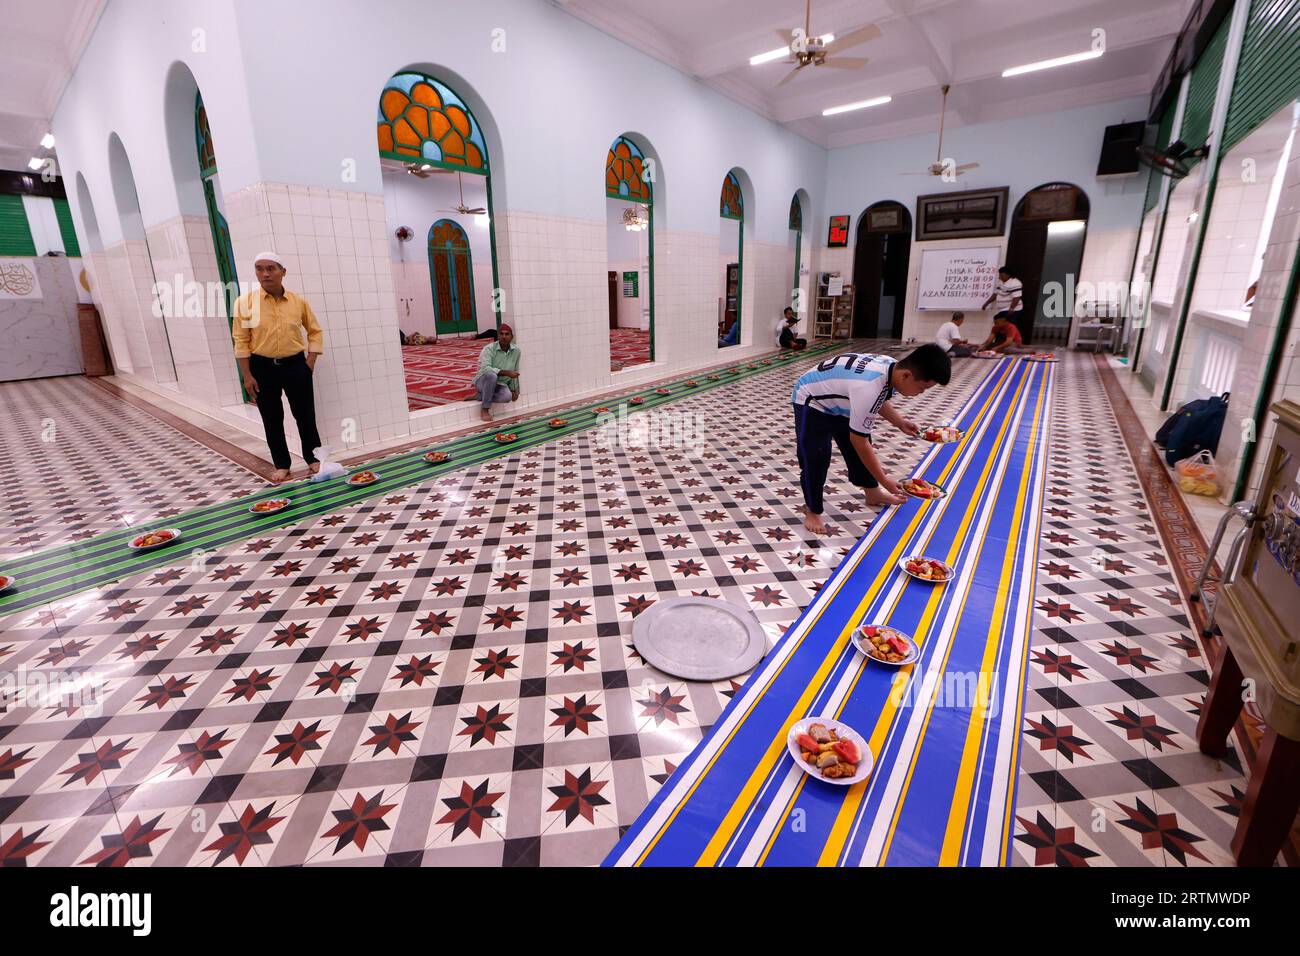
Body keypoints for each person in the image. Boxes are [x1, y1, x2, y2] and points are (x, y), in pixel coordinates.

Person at [791, 344, 952, 534]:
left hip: (840, 399)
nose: (920, 393)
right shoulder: (869, 386)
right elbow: (860, 437)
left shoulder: (891, 368)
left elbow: (877, 400)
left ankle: (872, 493)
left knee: (859, 447)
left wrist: (899, 422)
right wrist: (883, 479)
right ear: (906, 375)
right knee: (816, 458)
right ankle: (813, 511)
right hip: (812, 400)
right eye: (922, 388)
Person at [231, 251, 324, 484]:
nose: (265, 274)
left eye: (271, 268)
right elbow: (241, 341)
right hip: (262, 368)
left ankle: (313, 458)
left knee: (305, 414)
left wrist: (310, 362)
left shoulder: (298, 302)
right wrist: (247, 375)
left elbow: (315, 331)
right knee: (271, 418)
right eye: (259, 269)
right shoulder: (245, 303)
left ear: (283, 272)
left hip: (296, 365)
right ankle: (282, 464)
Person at [473, 323, 520, 421]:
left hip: (500, 384)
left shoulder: (516, 351)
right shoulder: (489, 349)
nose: (504, 337)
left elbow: (514, 371)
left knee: (507, 397)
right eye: (501, 334)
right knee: (492, 376)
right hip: (483, 381)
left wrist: (514, 389)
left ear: (511, 337)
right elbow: (486, 369)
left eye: (507, 334)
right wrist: (506, 373)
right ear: (498, 336)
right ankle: (485, 409)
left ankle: (481, 395)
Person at [982, 265, 1027, 343]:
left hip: (1014, 309)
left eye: (1002, 275)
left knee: (1003, 323)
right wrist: (986, 303)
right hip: (1003, 309)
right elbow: (995, 294)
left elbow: (1016, 297)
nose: (1000, 277)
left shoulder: (1015, 283)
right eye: (999, 275)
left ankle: (1009, 341)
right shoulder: (1000, 282)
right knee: (1001, 322)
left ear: (1008, 275)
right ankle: (1003, 340)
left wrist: (1011, 308)